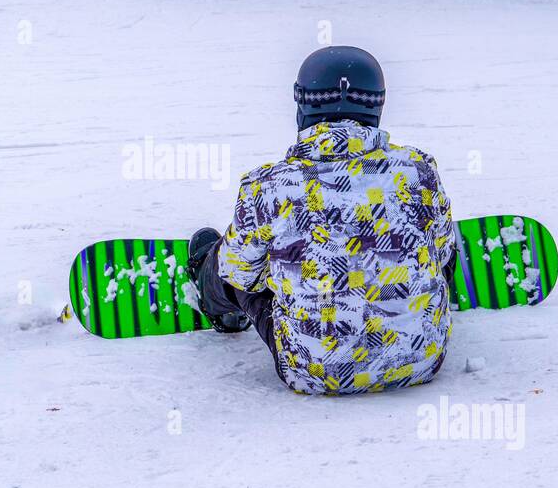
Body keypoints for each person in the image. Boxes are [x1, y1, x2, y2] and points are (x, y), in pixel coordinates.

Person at [188, 46, 456, 395]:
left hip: (316, 372)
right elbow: (444, 248)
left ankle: (213, 303)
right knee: (435, 244)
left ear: (303, 106)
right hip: (422, 361)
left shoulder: (269, 186)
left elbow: (238, 274)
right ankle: (408, 300)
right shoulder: (419, 171)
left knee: (232, 261)